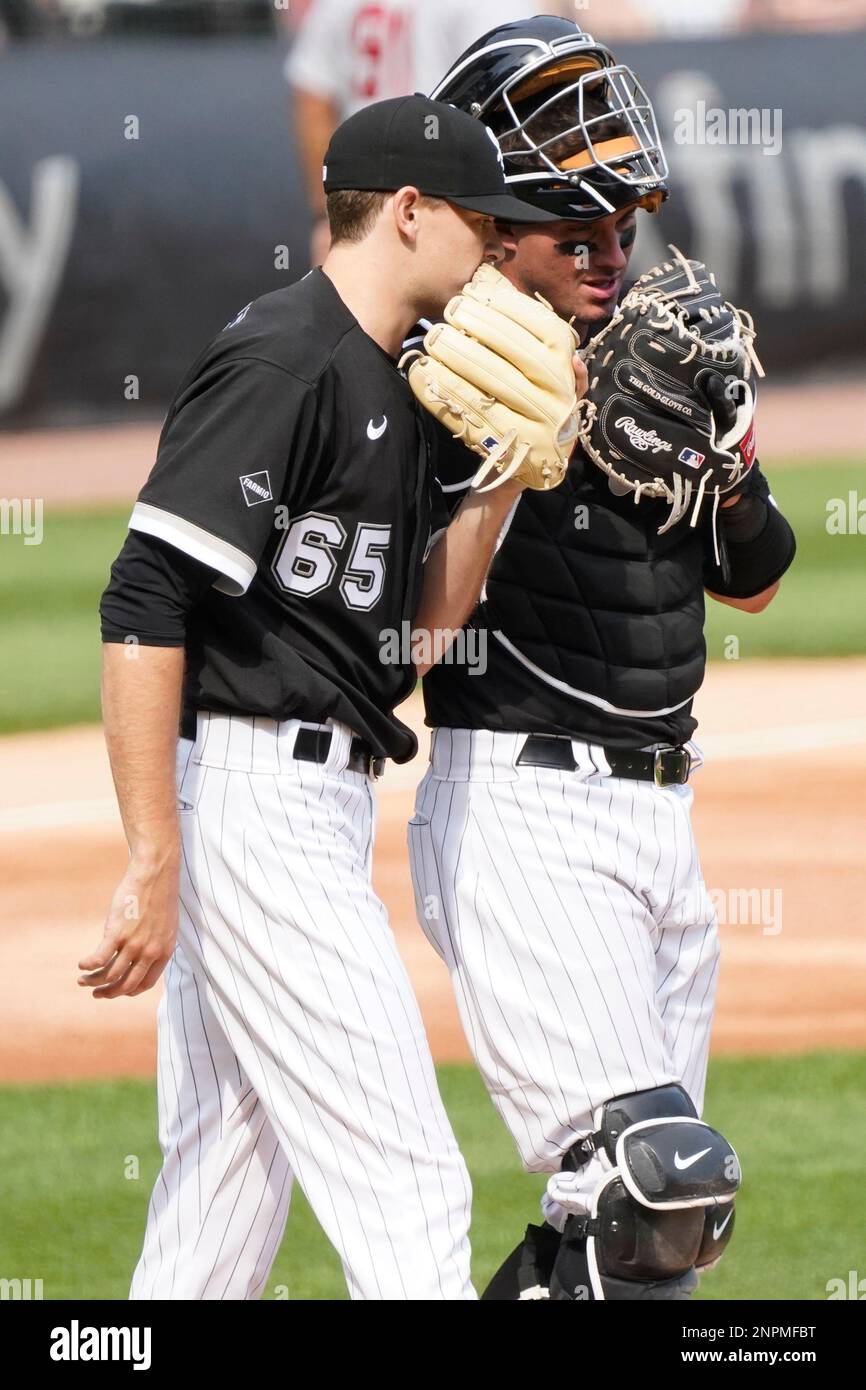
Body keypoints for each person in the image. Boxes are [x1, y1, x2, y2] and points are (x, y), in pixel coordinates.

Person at [81, 93, 567, 1301]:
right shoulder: (283, 355)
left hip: (307, 803)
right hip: (253, 802)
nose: (498, 248)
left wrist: (494, 490)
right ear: (406, 212)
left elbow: (404, 643)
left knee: (221, 1195)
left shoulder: (407, 385)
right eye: (477, 220)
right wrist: (153, 853)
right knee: (406, 1181)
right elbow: (144, 599)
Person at [407, 16, 796, 1300]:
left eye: (620, 230)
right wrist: (513, 453)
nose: (609, 256)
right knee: (661, 1176)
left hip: (659, 824)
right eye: (576, 236)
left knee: (638, 1243)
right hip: (523, 806)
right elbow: (411, 631)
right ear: (493, 226)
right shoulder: (438, 372)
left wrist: (724, 459)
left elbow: (758, 573)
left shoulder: (654, 345)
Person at [284, 0, 554, 265]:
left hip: (363, 195)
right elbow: (517, 90)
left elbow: (312, 99)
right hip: (451, 199)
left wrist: (328, 214)